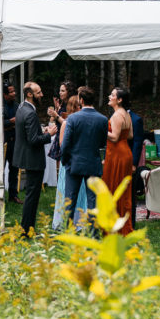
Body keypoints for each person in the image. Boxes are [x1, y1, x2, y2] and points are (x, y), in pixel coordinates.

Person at [56, 86, 106, 230]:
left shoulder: (72, 118)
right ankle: (94, 235)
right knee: (93, 203)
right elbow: (102, 143)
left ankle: (67, 232)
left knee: (69, 202)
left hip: (74, 164)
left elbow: (65, 145)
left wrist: (65, 161)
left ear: (81, 100)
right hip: (93, 164)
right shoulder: (102, 119)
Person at [13, 82, 54, 236]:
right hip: (33, 159)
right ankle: (27, 230)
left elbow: (28, 134)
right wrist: (49, 134)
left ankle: (27, 228)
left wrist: (41, 131)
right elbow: (33, 140)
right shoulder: (30, 113)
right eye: (39, 92)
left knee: (31, 195)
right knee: (32, 196)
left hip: (26, 157)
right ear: (29, 94)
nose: (42, 94)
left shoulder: (21, 108)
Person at [102, 88, 135, 234]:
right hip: (125, 152)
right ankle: (123, 223)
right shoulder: (127, 114)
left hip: (116, 154)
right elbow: (130, 135)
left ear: (119, 100)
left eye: (113, 95)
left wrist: (102, 129)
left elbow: (114, 137)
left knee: (114, 187)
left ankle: (115, 225)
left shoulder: (116, 115)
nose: (110, 96)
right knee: (123, 189)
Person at [0, 82, 18, 201]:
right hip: (2, 141)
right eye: (11, 92)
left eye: (14, 91)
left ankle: (13, 195)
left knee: (14, 169)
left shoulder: (17, 105)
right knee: (0, 169)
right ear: (5, 95)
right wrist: (10, 122)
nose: (14, 93)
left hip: (14, 141)